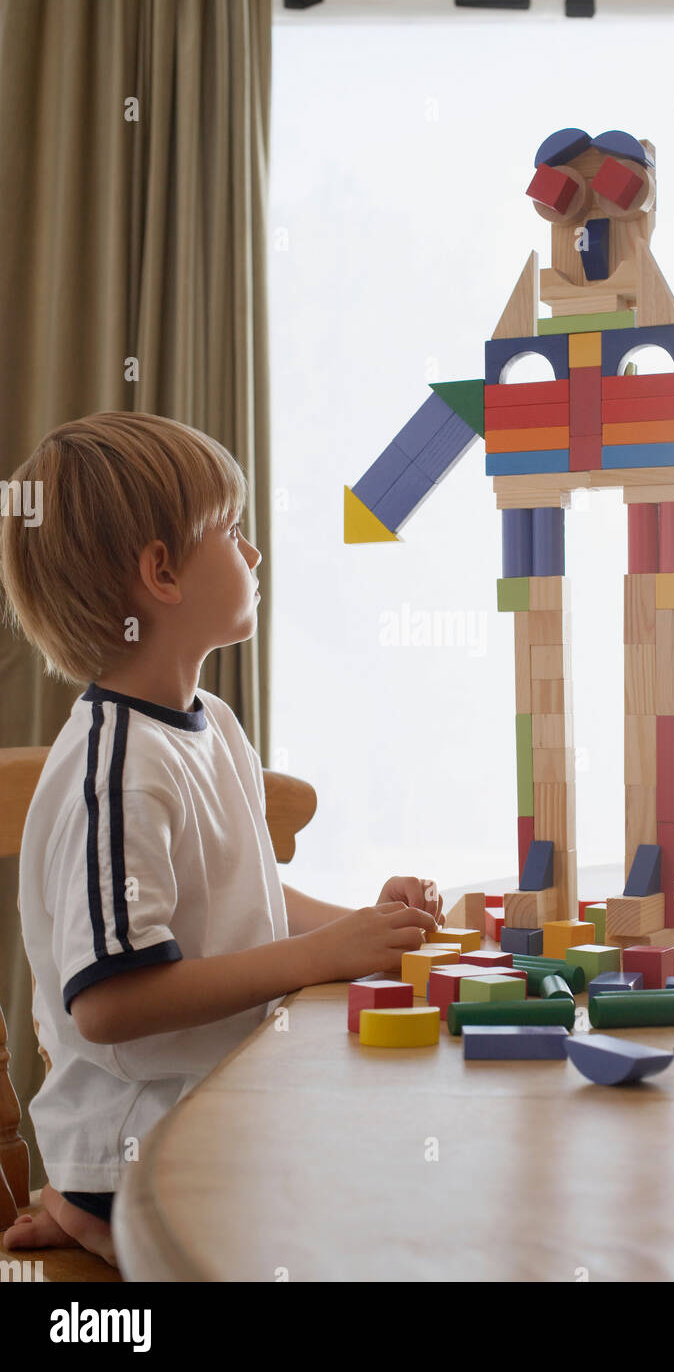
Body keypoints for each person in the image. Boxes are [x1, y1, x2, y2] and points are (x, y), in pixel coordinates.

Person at [0, 411, 442, 1267]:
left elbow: (247, 898)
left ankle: (103, 1223)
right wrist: (320, 958)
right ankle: (103, 1221)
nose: (255, 552)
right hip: (146, 1140)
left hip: (214, 1106)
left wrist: (356, 924)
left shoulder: (210, 724)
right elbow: (114, 1002)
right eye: (233, 531)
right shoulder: (116, 770)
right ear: (161, 572)